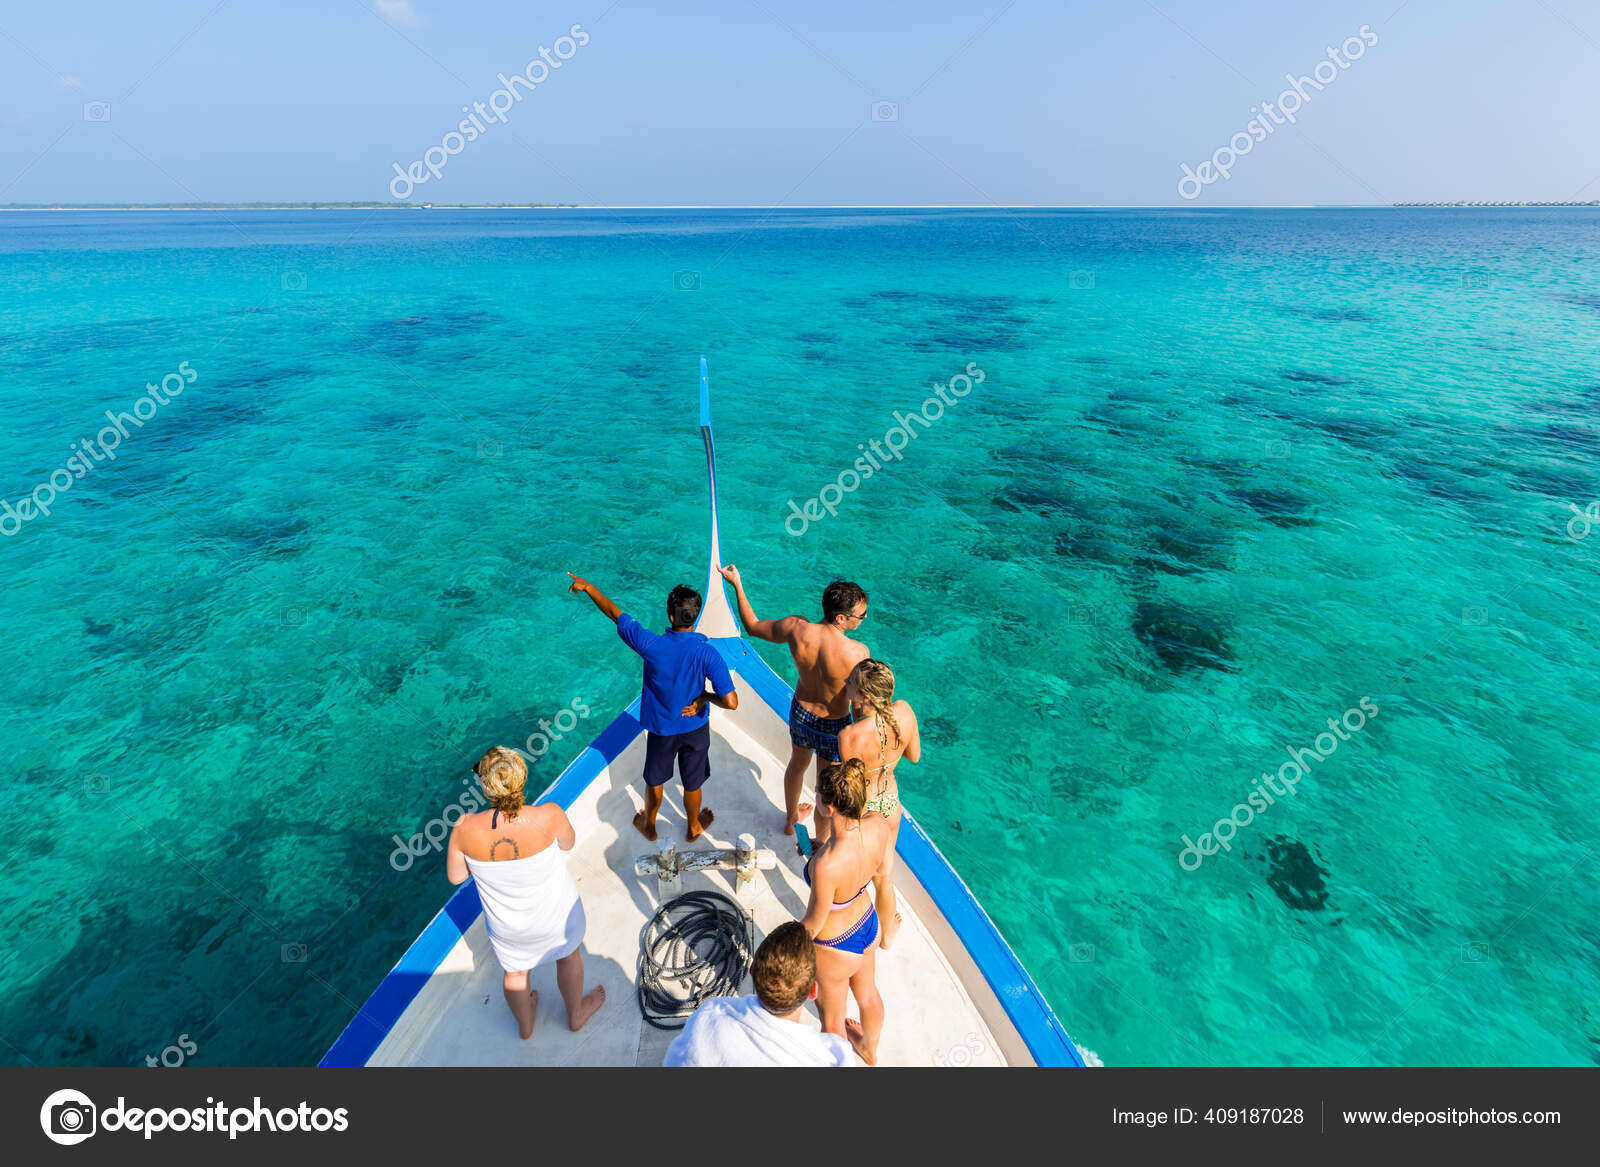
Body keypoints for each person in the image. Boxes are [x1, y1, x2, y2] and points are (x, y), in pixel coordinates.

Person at [446, 747, 607, 1039]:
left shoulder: (464, 828)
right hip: (557, 916)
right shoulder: (548, 815)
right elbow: (568, 843)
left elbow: (456, 877)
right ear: (521, 778)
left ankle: (526, 1025)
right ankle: (576, 1014)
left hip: (509, 928)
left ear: (486, 787)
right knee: (568, 956)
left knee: (516, 974)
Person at [567, 573, 738, 842]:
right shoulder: (708, 653)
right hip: (695, 729)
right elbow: (731, 701)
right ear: (695, 616)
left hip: (662, 730)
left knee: (655, 780)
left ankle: (649, 825)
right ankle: (693, 827)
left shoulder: (651, 644)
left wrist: (588, 586)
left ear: (671, 616)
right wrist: (703, 698)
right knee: (693, 783)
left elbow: (615, 613)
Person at [716, 565, 868, 837]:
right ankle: (820, 841)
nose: (864, 618)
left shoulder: (797, 628)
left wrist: (737, 584)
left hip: (801, 713)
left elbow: (751, 627)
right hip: (833, 725)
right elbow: (858, 708)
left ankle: (790, 821)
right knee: (826, 788)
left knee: (797, 766)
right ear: (842, 618)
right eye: (861, 615)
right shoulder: (857, 652)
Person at [800, 758, 892, 1065]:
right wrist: (819, 849)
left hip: (834, 946)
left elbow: (812, 924)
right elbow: (863, 865)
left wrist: (783, 947)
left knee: (833, 1023)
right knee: (868, 995)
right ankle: (869, 1049)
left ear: (828, 808)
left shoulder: (826, 865)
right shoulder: (878, 823)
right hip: (867, 922)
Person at [661, 922, 853, 1067]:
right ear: (813, 991)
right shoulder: (834, 1057)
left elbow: (673, 1061)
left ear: (751, 970)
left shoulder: (709, 1014)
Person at [835, 659, 920, 951]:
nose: (845, 681)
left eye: (851, 682)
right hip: (890, 803)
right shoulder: (905, 712)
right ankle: (887, 937)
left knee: (856, 873)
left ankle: (846, 923)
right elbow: (914, 756)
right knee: (884, 876)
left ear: (865, 697)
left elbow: (852, 788)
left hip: (865, 809)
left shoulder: (849, 736)